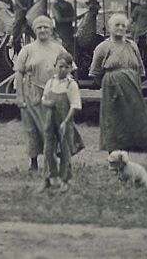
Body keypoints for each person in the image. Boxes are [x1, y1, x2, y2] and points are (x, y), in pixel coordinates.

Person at [90, 13, 147, 153]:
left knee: (130, 120)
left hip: (132, 87)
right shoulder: (103, 47)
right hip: (113, 89)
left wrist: (135, 85)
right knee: (114, 121)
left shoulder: (132, 45)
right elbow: (95, 73)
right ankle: (113, 155)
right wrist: (111, 81)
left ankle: (126, 154)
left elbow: (139, 69)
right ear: (109, 28)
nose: (120, 28)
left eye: (123, 25)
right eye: (117, 25)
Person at [13, 15, 66, 172]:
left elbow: (69, 69)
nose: (43, 30)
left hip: (53, 93)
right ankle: (34, 162)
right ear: (34, 31)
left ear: (51, 30)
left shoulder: (59, 49)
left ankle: (56, 160)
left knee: (54, 127)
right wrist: (20, 96)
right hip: (32, 93)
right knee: (32, 127)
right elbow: (18, 73)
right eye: (39, 27)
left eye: (46, 27)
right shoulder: (28, 50)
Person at [40, 50, 85, 193]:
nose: (63, 69)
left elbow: (75, 105)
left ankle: (65, 179)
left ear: (70, 68)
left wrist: (65, 122)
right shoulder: (51, 82)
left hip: (65, 121)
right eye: (60, 66)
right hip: (50, 119)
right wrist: (48, 103)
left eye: (66, 67)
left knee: (66, 149)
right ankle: (48, 178)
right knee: (48, 149)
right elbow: (43, 99)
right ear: (55, 66)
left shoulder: (71, 85)